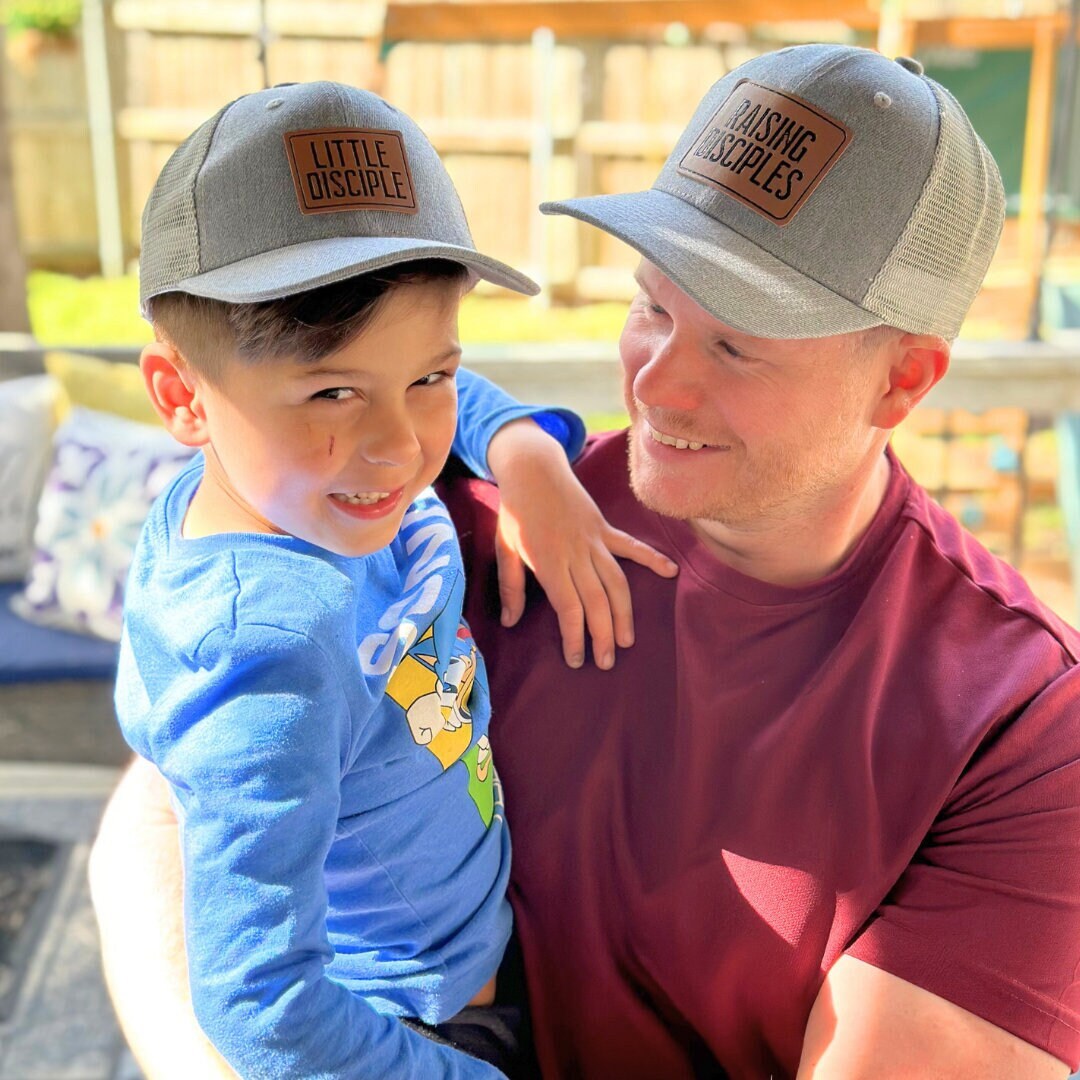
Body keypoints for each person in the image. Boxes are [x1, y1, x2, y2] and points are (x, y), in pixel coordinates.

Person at [91, 44, 1080, 1079]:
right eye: (653, 305)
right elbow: (164, 801)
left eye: (735, 346)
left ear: (904, 382)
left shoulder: (1021, 729)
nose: (655, 385)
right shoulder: (449, 516)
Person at [111, 80, 676, 1080]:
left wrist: (520, 449)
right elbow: (262, 1005)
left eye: (431, 377)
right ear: (181, 399)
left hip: (481, 942)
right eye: (333, 393)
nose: (402, 444)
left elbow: (425, 388)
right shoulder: (266, 655)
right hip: (410, 1025)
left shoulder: (283, 483)